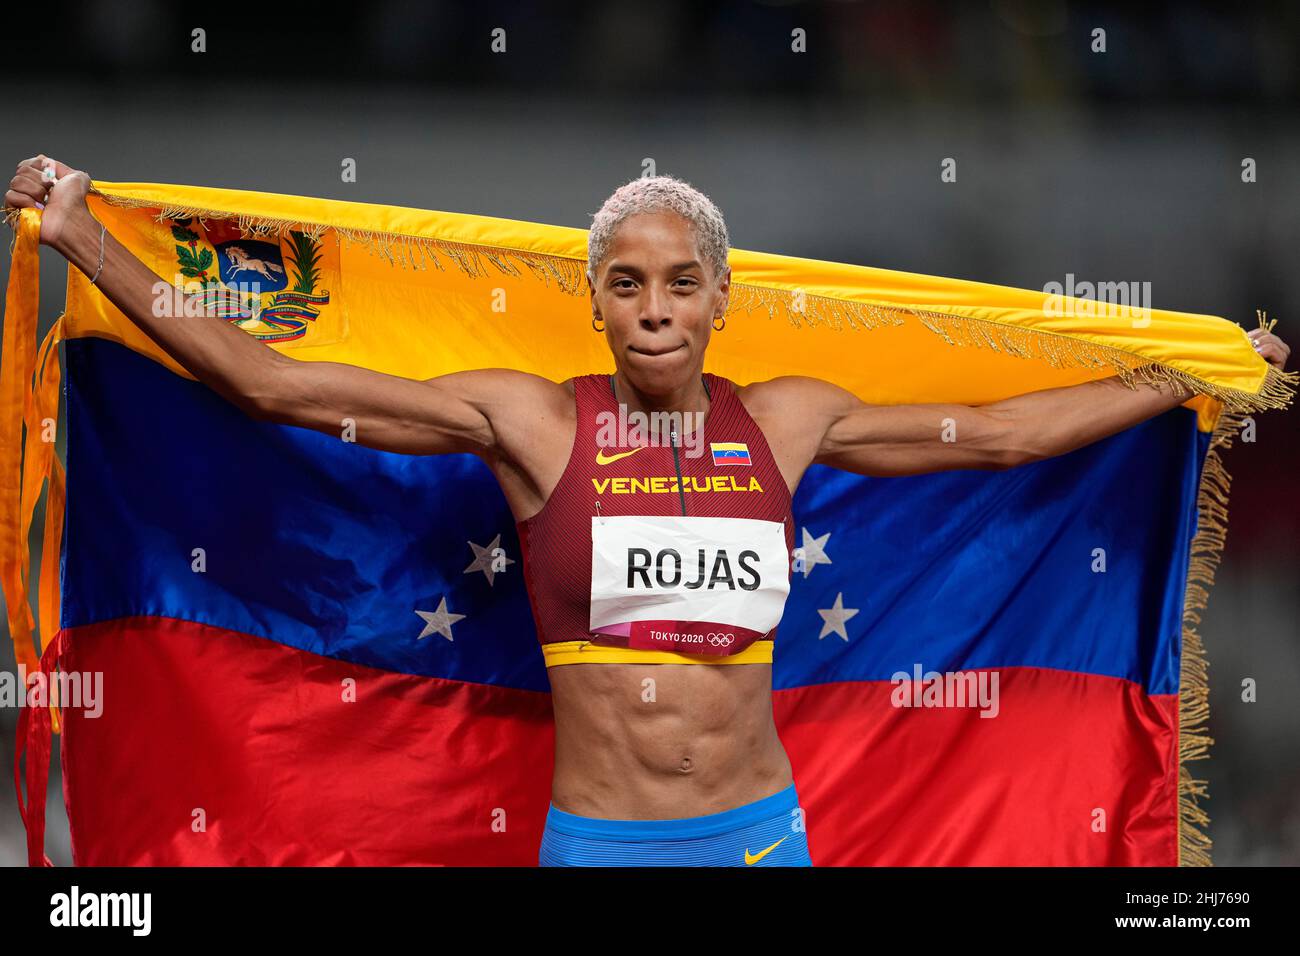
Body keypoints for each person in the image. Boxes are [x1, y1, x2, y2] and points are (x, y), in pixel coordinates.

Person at [5, 157, 1291, 867]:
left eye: (683, 283)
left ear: (721, 300)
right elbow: (272, 380)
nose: (658, 306)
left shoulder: (787, 420)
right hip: (597, 844)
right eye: (629, 284)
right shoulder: (530, 421)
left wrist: (1186, 377)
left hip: (757, 837)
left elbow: (1006, 435)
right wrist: (86, 239)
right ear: (599, 304)